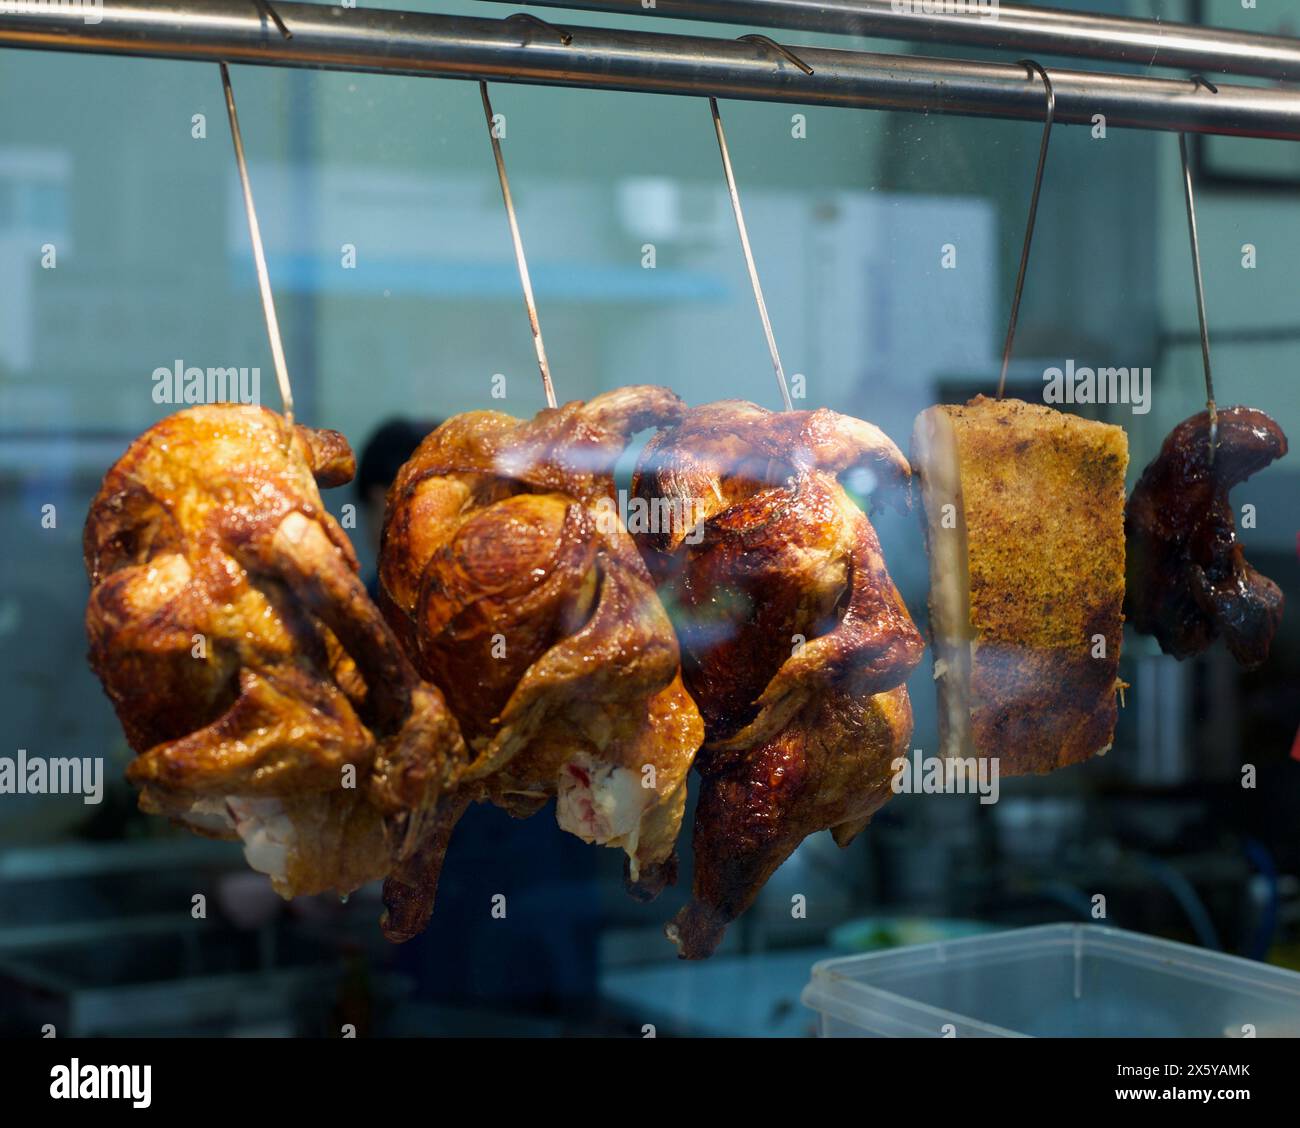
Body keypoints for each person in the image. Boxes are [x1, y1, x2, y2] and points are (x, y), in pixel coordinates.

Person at [355, 420, 602, 1021]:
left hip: (539, 904)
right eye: (382, 515)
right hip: (433, 943)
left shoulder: (522, 606)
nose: (397, 537)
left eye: (405, 514)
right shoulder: (364, 616)